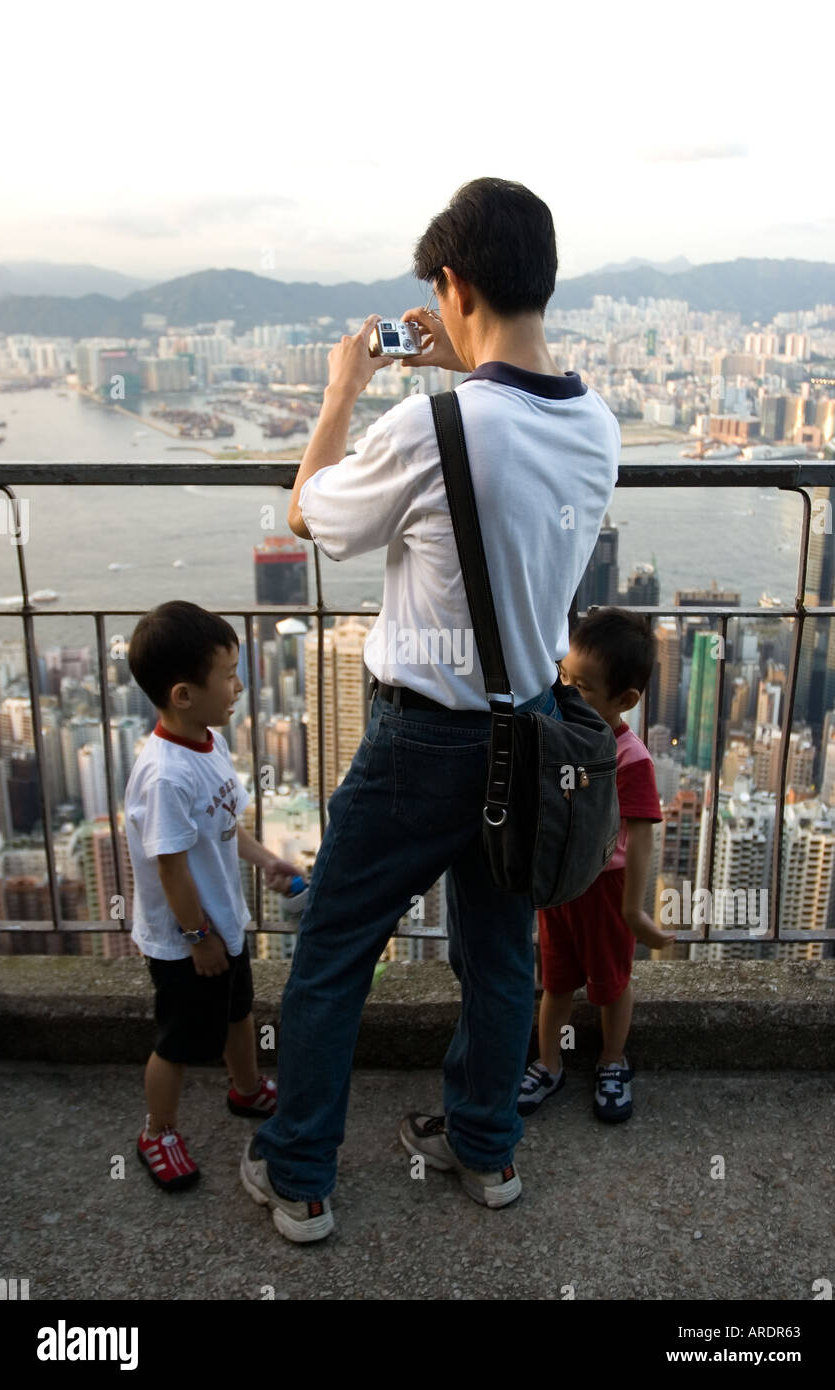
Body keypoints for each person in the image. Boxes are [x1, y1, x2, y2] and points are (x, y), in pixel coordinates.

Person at [239, 177, 621, 1243]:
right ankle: (486, 1147)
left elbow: (315, 516)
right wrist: (469, 361)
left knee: (334, 948)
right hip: (531, 732)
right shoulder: (598, 424)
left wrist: (338, 395)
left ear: (450, 285)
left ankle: (302, 1172)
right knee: (499, 959)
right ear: (540, 279)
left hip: (423, 740)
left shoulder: (429, 424)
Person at [125, 601, 301, 1190]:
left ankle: (247, 1089)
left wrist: (266, 860)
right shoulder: (166, 774)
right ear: (182, 693)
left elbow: (228, 824)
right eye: (227, 674)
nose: (239, 686)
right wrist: (197, 938)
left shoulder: (208, 740)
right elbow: (171, 869)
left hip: (224, 924)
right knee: (178, 1042)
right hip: (186, 941)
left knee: (238, 1010)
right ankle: (159, 1131)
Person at [517, 607, 674, 1125]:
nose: (566, 692)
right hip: (562, 886)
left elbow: (644, 835)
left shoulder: (631, 759)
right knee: (556, 980)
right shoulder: (558, 733)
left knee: (611, 981)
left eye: (582, 687)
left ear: (624, 700)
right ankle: (549, 1062)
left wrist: (635, 911)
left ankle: (612, 1060)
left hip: (605, 892)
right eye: (564, 677)